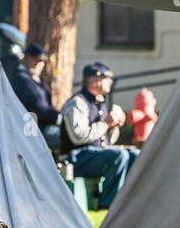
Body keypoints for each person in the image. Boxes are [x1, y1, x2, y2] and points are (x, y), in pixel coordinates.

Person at [59, 62, 139, 209]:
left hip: (94, 155)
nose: (111, 82)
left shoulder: (100, 101)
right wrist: (106, 124)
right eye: (106, 78)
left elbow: (106, 141)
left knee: (135, 154)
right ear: (92, 80)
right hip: (77, 157)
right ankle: (108, 203)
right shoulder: (77, 103)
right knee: (119, 156)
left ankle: (128, 200)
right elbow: (78, 137)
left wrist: (114, 127)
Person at [7, 42, 59, 134]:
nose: (37, 63)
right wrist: (57, 117)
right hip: (28, 130)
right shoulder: (21, 78)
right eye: (34, 59)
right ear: (26, 57)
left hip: (39, 127)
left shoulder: (36, 79)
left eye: (41, 61)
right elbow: (39, 106)